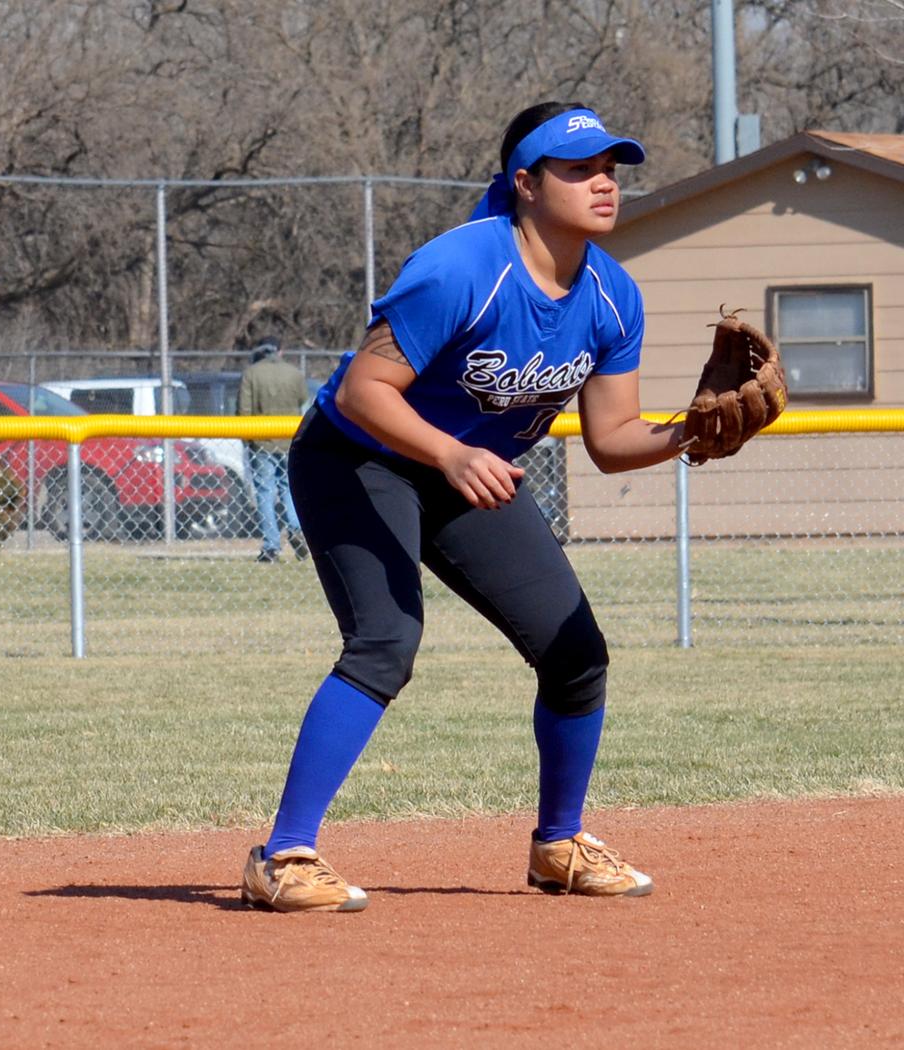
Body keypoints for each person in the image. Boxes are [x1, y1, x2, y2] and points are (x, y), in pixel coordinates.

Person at [241, 102, 685, 912]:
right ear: (525, 183)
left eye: (610, 169)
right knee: (385, 641)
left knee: (576, 651)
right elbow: (363, 391)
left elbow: (613, 438)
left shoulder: (613, 296)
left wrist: (695, 433)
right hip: (360, 457)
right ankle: (284, 856)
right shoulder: (461, 268)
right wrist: (449, 452)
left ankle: (560, 845)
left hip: (471, 472)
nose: (604, 184)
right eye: (578, 169)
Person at [237, 336, 310, 562]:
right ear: (280, 351)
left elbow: (244, 410)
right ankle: (296, 528)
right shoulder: (295, 373)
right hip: (289, 439)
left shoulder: (251, 373)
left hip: (262, 441)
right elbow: (303, 402)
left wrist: (246, 440)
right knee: (289, 488)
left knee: (265, 492)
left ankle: (271, 546)